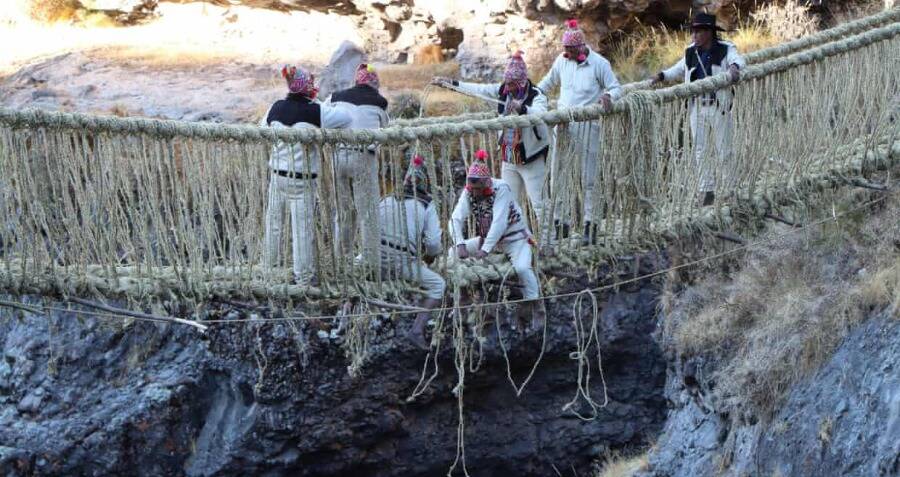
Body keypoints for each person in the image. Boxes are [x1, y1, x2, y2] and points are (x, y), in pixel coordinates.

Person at [431, 51, 551, 242]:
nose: (507, 88)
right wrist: (450, 84)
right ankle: (520, 241)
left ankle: (548, 242)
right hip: (509, 157)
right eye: (506, 84)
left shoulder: (536, 95)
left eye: (511, 85)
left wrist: (523, 109)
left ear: (521, 83)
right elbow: (478, 89)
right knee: (508, 203)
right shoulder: (502, 90)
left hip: (531, 159)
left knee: (539, 203)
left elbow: (541, 114)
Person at [261, 65, 352, 285]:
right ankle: (302, 278)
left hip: (276, 176)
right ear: (308, 88)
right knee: (302, 229)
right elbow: (346, 118)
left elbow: (261, 128)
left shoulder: (276, 107)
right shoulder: (316, 111)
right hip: (301, 181)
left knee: (273, 224)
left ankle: (267, 271)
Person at [537, 19, 623, 245]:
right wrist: (531, 100)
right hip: (563, 126)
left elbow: (615, 87)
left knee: (589, 177)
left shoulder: (599, 64)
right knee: (559, 175)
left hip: (588, 127)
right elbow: (545, 85)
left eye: (570, 50)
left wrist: (608, 97)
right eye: (564, 49)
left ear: (581, 47)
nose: (566, 53)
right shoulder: (561, 61)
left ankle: (590, 225)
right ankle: (561, 225)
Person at [651, 12, 746, 206]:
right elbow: (678, 69)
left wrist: (735, 68)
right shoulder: (690, 52)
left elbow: (739, 60)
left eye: (698, 31)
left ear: (709, 32)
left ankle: (729, 190)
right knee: (700, 150)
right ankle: (706, 191)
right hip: (697, 107)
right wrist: (661, 76)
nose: (694, 35)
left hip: (718, 106)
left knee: (724, 150)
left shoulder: (726, 49)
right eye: (693, 31)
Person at [449, 150, 545, 329]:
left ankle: (535, 305)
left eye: (478, 189)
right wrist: (460, 243)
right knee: (452, 252)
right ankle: (463, 294)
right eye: (473, 189)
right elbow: (455, 218)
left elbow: (499, 222)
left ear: (486, 183)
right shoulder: (469, 192)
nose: (475, 193)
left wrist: (485, 250)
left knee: (523, 268)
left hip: (515, 239)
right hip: (488, 241)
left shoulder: (501, 188)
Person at [378, 155, 445, 350]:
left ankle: (346, 312)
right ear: (425, 183)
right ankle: (417, 330)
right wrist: (427, 255)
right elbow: (434, 244)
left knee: (353, 275)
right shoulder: (427, 204)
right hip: (400, 263)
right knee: (438, 285)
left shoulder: (385, 199)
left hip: (371, 258)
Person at [329, 63, 390, 264]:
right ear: (374, 82)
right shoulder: (379, 102)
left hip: (338, 157)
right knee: (368, 212)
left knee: (344, 211)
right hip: (363, 157)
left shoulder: (336, 96)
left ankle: (341, 258)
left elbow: (324, 115)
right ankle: (370, 260)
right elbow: (386, 128)